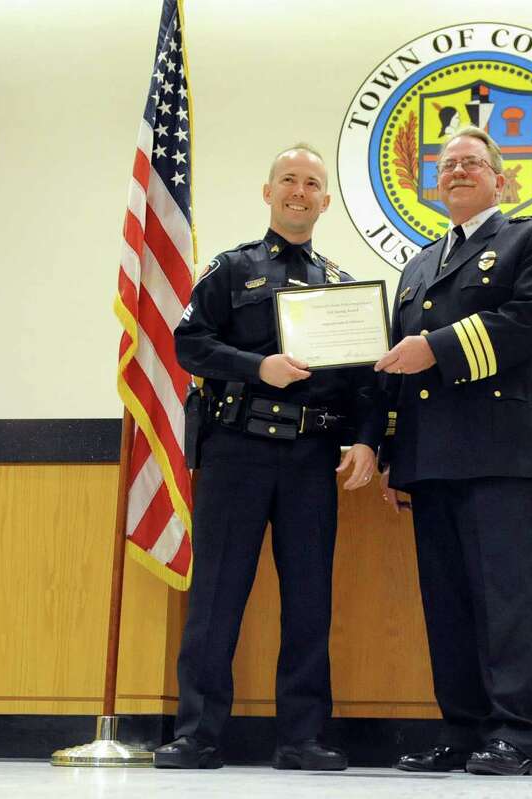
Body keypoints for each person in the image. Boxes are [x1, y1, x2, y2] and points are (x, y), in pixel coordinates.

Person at [154, 144, 377, 771]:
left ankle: (302, 737)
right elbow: (189, 343)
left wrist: (366, 439)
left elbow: (366, 383)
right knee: (217, 594)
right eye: (288, 180)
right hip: (238, 451)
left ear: (326, 200)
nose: (299, 191)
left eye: (311, 183)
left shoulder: (343, 287)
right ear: (268, 192)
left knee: (310, 598)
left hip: (312, 457)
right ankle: (197, 735)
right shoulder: (231, 270)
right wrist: (259, 367)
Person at [372, 126, 532, 776]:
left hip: (499, 452)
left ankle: (513, 732)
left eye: (472, 163)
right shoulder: (418, 264)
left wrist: (438, 348)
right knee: (447, 602)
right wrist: (392, 450)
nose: (458, 171)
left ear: (500, 178)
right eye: (448, 164)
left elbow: (530, 320)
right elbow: (395, 366)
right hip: (430, 460)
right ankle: (461, 731)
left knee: (505, 599)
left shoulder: (529, 238)